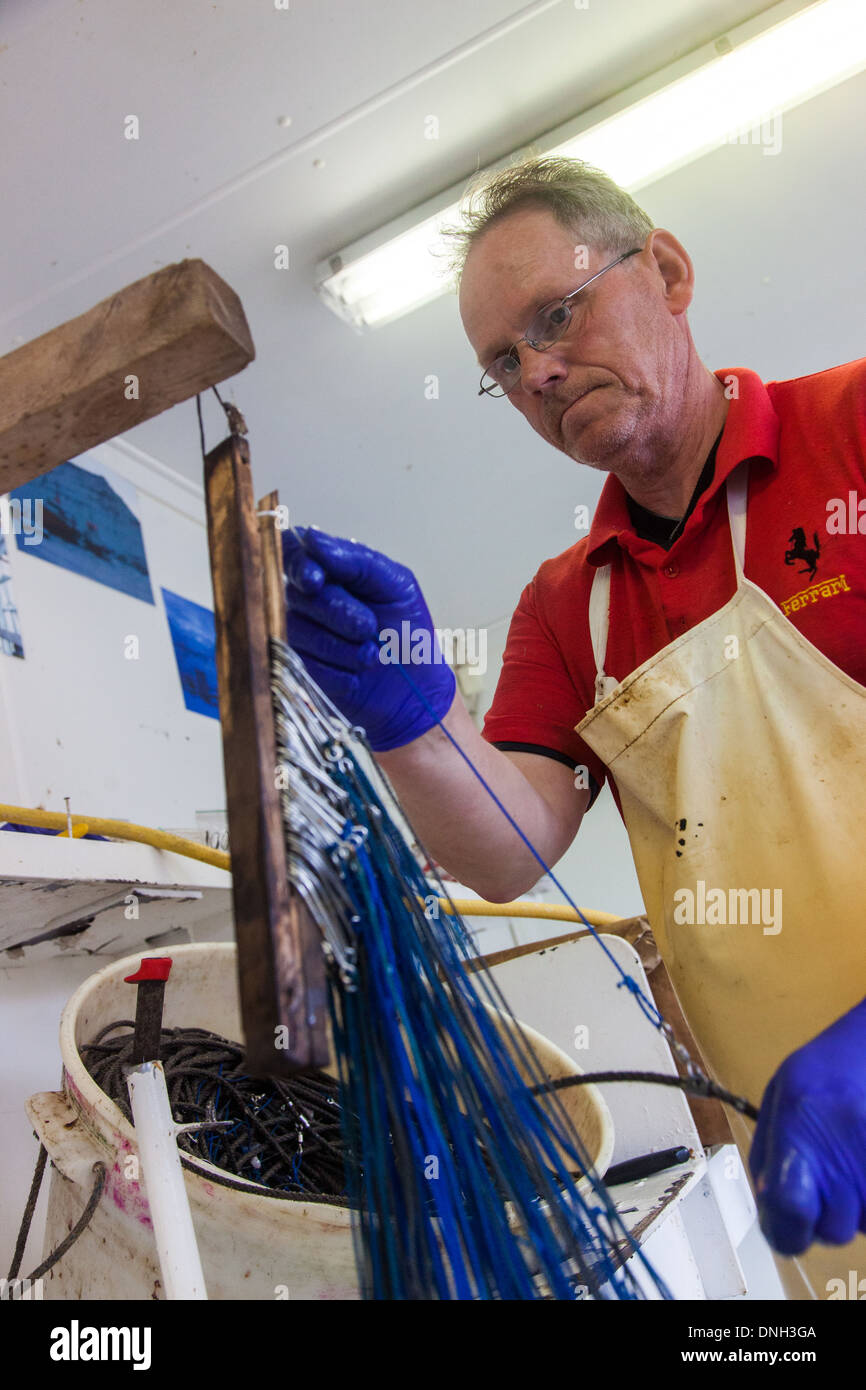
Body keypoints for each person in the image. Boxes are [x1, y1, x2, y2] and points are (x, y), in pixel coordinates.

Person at [283, 156, 866, 1300]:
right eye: (502, 364)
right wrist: (412, 715)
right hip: (810, 1173)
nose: (540, 370)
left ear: (665, 270)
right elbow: (509, 848)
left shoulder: (849, 430)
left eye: (558, 313)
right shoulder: (568, 602)